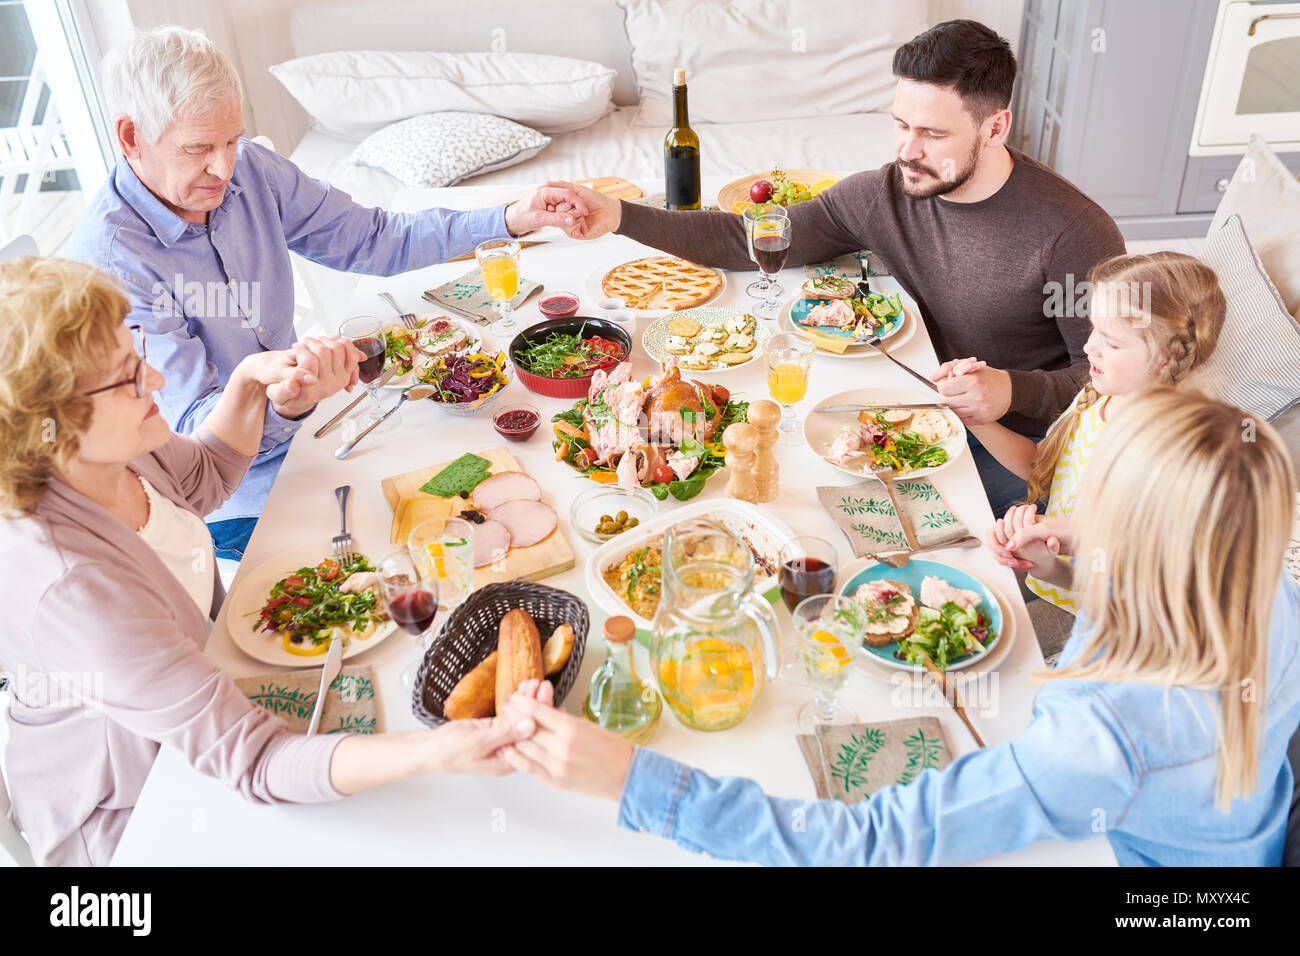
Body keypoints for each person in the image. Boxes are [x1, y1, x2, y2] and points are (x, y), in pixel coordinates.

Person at [498, 388, 1300, 866]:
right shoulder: (1264, 580)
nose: (1069, 511)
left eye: (1095, 498)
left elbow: (867, 845)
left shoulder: (1099, 741)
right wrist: (1069, 578)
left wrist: (632, 783)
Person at [0, 258, 536, 866]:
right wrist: (440, 751)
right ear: (50, 426)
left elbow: (202, 477)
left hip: (209, 696)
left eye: (137, 353)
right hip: (137, 807)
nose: (152, 379)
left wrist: (252, 386)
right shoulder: (74, 586)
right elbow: (257, 760)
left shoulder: (105, 454)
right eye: (125, 378)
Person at [559, 19, 1126, 516]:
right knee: (754, 484)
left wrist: (1011, 391)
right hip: (919, 406)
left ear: (995, 128)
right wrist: (618, 215)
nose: (907, 150)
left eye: (932, 134)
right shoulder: (888, 191)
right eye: (901, 124)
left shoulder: (1073, 232)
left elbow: (1115, 385)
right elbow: (749, 237)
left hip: (1021, 449)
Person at [67, 26, 589, 559]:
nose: (224, 168)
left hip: (321, 431)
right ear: (131, 137)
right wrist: (283, 404)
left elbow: (374, 238)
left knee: (528, 483)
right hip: (239, 499)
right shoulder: (111, 265)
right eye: (198, 148)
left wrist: (508, 218)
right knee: (423, 563)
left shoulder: (250, 169)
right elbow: (189, 443)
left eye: (230, 140)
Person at [976, 252, 1226, 612]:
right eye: (1094, 328)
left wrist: (1047, 559)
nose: (1089, 346)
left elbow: (1126, 590)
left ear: (1165, 359)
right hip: (1047, 572)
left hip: (1089, 616)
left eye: (1111, 341)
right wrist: (975, 418)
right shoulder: (1102, 393)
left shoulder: (1164, 454)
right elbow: (1040, 464)